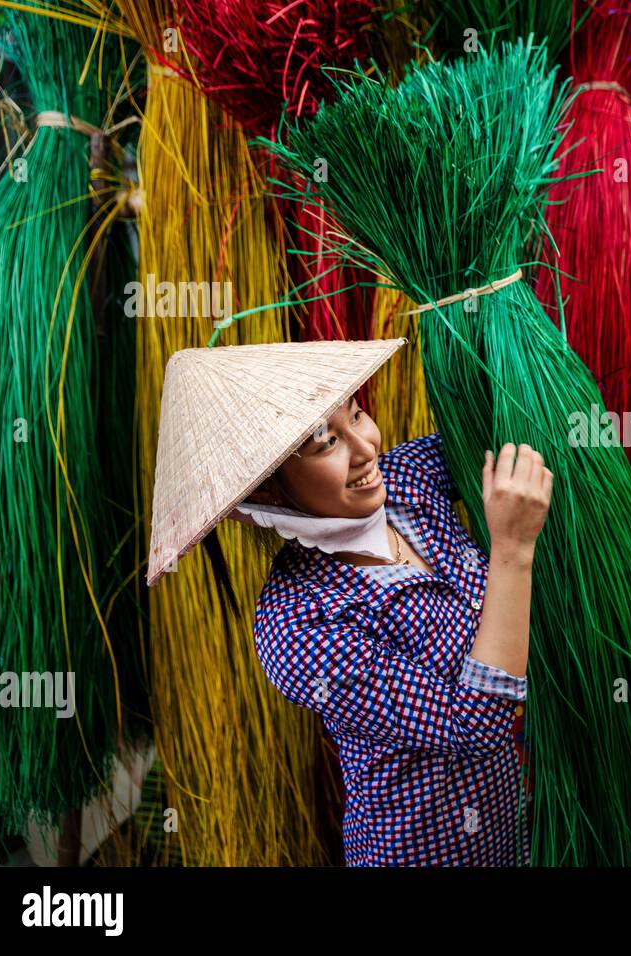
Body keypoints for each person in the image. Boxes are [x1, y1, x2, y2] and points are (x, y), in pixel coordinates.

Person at [146, 339, 552, 866]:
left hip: (509, 824)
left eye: (356, 413)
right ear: (266, 492)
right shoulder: (297, 624)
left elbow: (496, 427)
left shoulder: (408, 481)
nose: (365, 448)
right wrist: (513, 551)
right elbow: (475, 721)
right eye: (324, 442)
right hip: (416, 854)